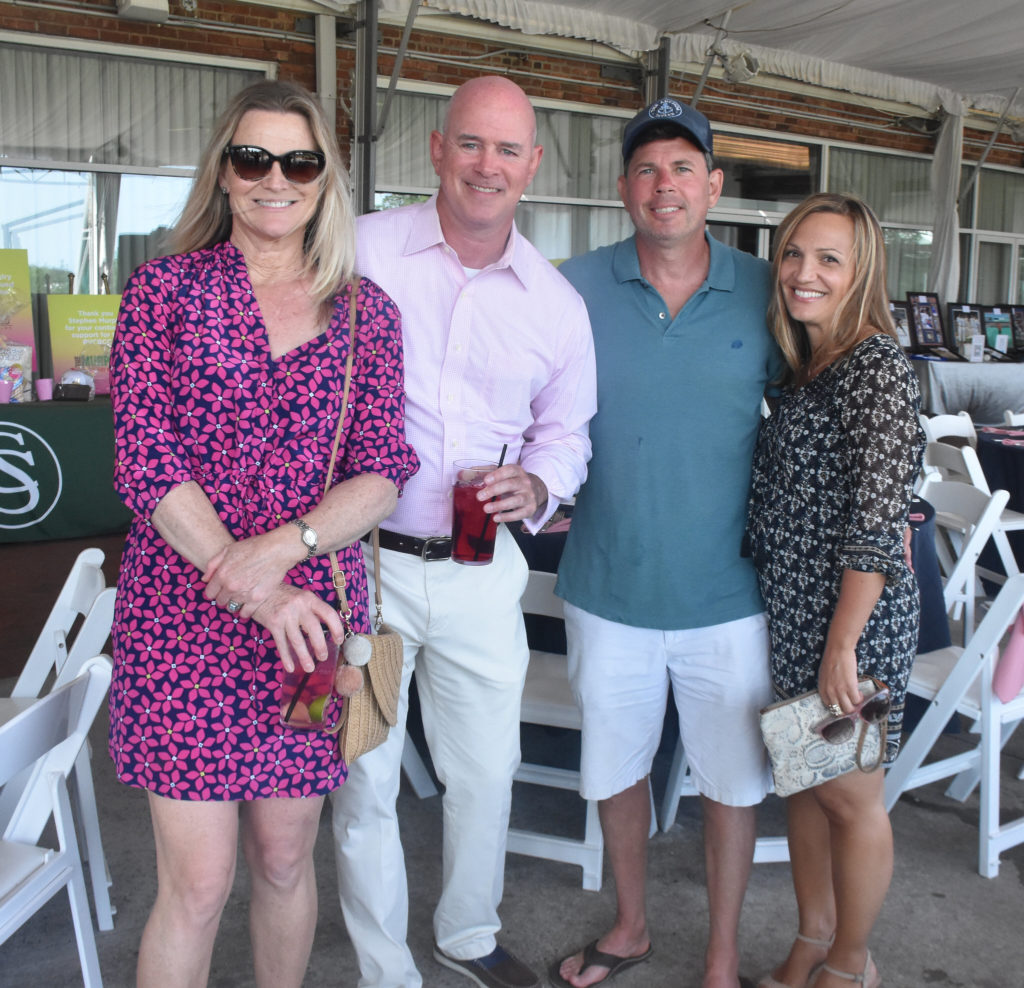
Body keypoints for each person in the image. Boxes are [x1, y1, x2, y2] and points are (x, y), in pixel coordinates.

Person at [108, 79, 418, 987]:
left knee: (286, 861)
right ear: (225, 170)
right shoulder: (164, 291)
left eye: (298, 161)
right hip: (181, 625)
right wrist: (253, 582)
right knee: (197, 885)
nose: (273, 179)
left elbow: (382, 472)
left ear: (325, 180)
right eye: (252, 158)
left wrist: (287, 553)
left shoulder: (367, 314)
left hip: (310, 637)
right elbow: (144, 462)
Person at [329, 75, 596, 988]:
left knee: (486, 772)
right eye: (471, 144)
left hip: (484, 572)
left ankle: (468, 936)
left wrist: (542, 478)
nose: (488, 165)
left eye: (508, 149)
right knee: (363, 777)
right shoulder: (361, 251)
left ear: (533, 166)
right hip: (362, 574)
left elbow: (568, 432)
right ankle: (385, 968)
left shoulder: (553, 303)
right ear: (438, 150)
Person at [550, 98, 782, 988]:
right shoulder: (572, 286)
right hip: (608, 584)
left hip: (733, 595)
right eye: (647, 169)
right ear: (622, 189)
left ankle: (721, 959)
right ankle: (633, 926)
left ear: (714, 185)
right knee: (615, 768)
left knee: (734, 783)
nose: (666, 184)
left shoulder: (767, 291)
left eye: (684, 167)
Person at [747, 193, 923, 988]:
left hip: (853, 630)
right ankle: (813, 939)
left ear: (862, 275)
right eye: (793, 255)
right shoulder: (809, 363)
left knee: (851, 801)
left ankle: (852, 964)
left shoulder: (877, 367)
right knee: (807, 788)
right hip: (796, 617)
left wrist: (841, 647)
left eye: (828, 260)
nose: (804, 274)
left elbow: (877, 526)